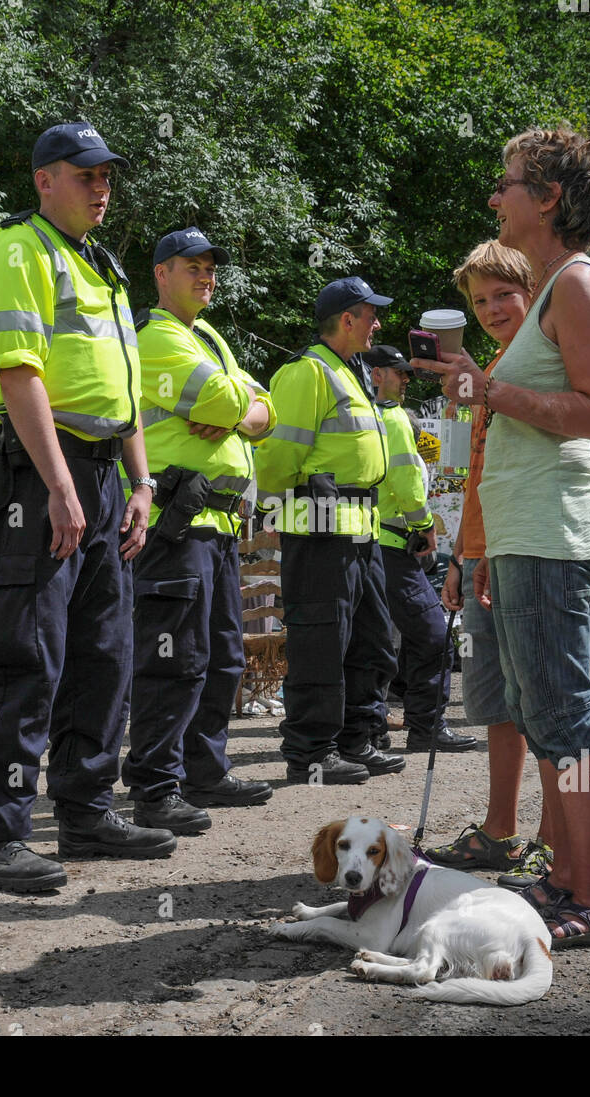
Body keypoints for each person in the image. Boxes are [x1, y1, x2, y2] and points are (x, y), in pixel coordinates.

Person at [419, 127, 590, 949]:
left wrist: (493, 391)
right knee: (544, 713)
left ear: (547, 198)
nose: (494, 197)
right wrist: (483, 388)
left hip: (553, 531)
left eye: (506, 184)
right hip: (524, 534)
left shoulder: (577, 283)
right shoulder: (547, 289)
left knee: (568, 716)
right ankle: (567, 877)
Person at [0, 121, 173, 892]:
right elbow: (19, 373)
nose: (101, 187)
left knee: (102, 657)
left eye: (106, 174)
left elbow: (126, 395)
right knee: (26, 659)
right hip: (37, 475)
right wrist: (56, 485)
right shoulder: (19, 249)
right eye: (84, 175)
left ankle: (84, 808)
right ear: (43, 179)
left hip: (104, 476)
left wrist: (141, 483)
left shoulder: (102, 266)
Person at [121, 227, 276, 833]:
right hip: (174, 525)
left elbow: (266, 411)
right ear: (161, 273)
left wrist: (236, 411)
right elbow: (230, 402)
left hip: (216, 524)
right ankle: (156, 788)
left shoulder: (205, 337)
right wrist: (238, 409)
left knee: (221, 657)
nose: (206, 276)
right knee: (174, 659)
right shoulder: (156, 337)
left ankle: (202, 770)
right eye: (192, 266)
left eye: (211, 267)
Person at [427, 240, 553, 877]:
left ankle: (552, 846)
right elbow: (474, 474)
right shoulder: (492, 370)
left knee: (545, 701)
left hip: (526, 549)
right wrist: (458, 557)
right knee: (497, 703)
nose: (493, 308)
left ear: (531, 293)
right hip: (481, 553)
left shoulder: (538, 358)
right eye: (479, 300)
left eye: (504, 294)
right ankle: (500, 831)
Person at [255, 277, 404, 785]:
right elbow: (275, 459)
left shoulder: (351, 370)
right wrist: (283, 507)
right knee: (321, 643)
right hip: (319, 527)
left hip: (360, 526)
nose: (378, 324)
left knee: (373, 639)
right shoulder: (307, 372)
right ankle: (311, 753)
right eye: (371, 314)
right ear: (347, 319)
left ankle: (356, 740)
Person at [365, 344, 476, 754]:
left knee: (373, 640)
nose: (407, 380)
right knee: (434, 637)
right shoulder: (392, 417)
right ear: (377, 374)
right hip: (393, 548)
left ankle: (370, 728)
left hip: (367, 546)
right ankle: (426, 727)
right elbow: (408, 481)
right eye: (400, 373)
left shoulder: (361, 414)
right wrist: (425, 527)